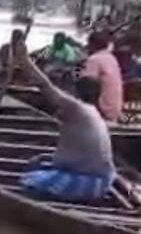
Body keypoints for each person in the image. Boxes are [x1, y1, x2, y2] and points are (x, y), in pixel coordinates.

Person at [9, 31, 116, 203]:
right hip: (103, 179)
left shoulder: (78, 109)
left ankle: (55, 203)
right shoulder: (93, 112)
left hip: (92, 183)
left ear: (76, 93)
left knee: (28, 181)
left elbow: (44, 85)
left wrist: (23, 59)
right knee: (39, 163)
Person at [79, 30, 124, 122]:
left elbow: (86, 85)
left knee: (83, 86)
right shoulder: (111, 58)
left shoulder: (94, 59)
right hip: (115, 109)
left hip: (104, 109)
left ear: (92, 45)